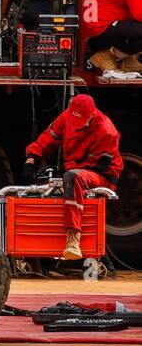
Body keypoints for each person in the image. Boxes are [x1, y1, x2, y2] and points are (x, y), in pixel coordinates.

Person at [24, 94, 123, 260]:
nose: (75, 125)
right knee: (64, 176)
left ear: (92, 115)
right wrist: (32, 158)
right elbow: (49, 137)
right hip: (75, 168)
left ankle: (73, 238)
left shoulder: (107, 131)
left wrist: (66, 170)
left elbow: (96, 165)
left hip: (101, 174)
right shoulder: (68, 116)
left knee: (73, 177)